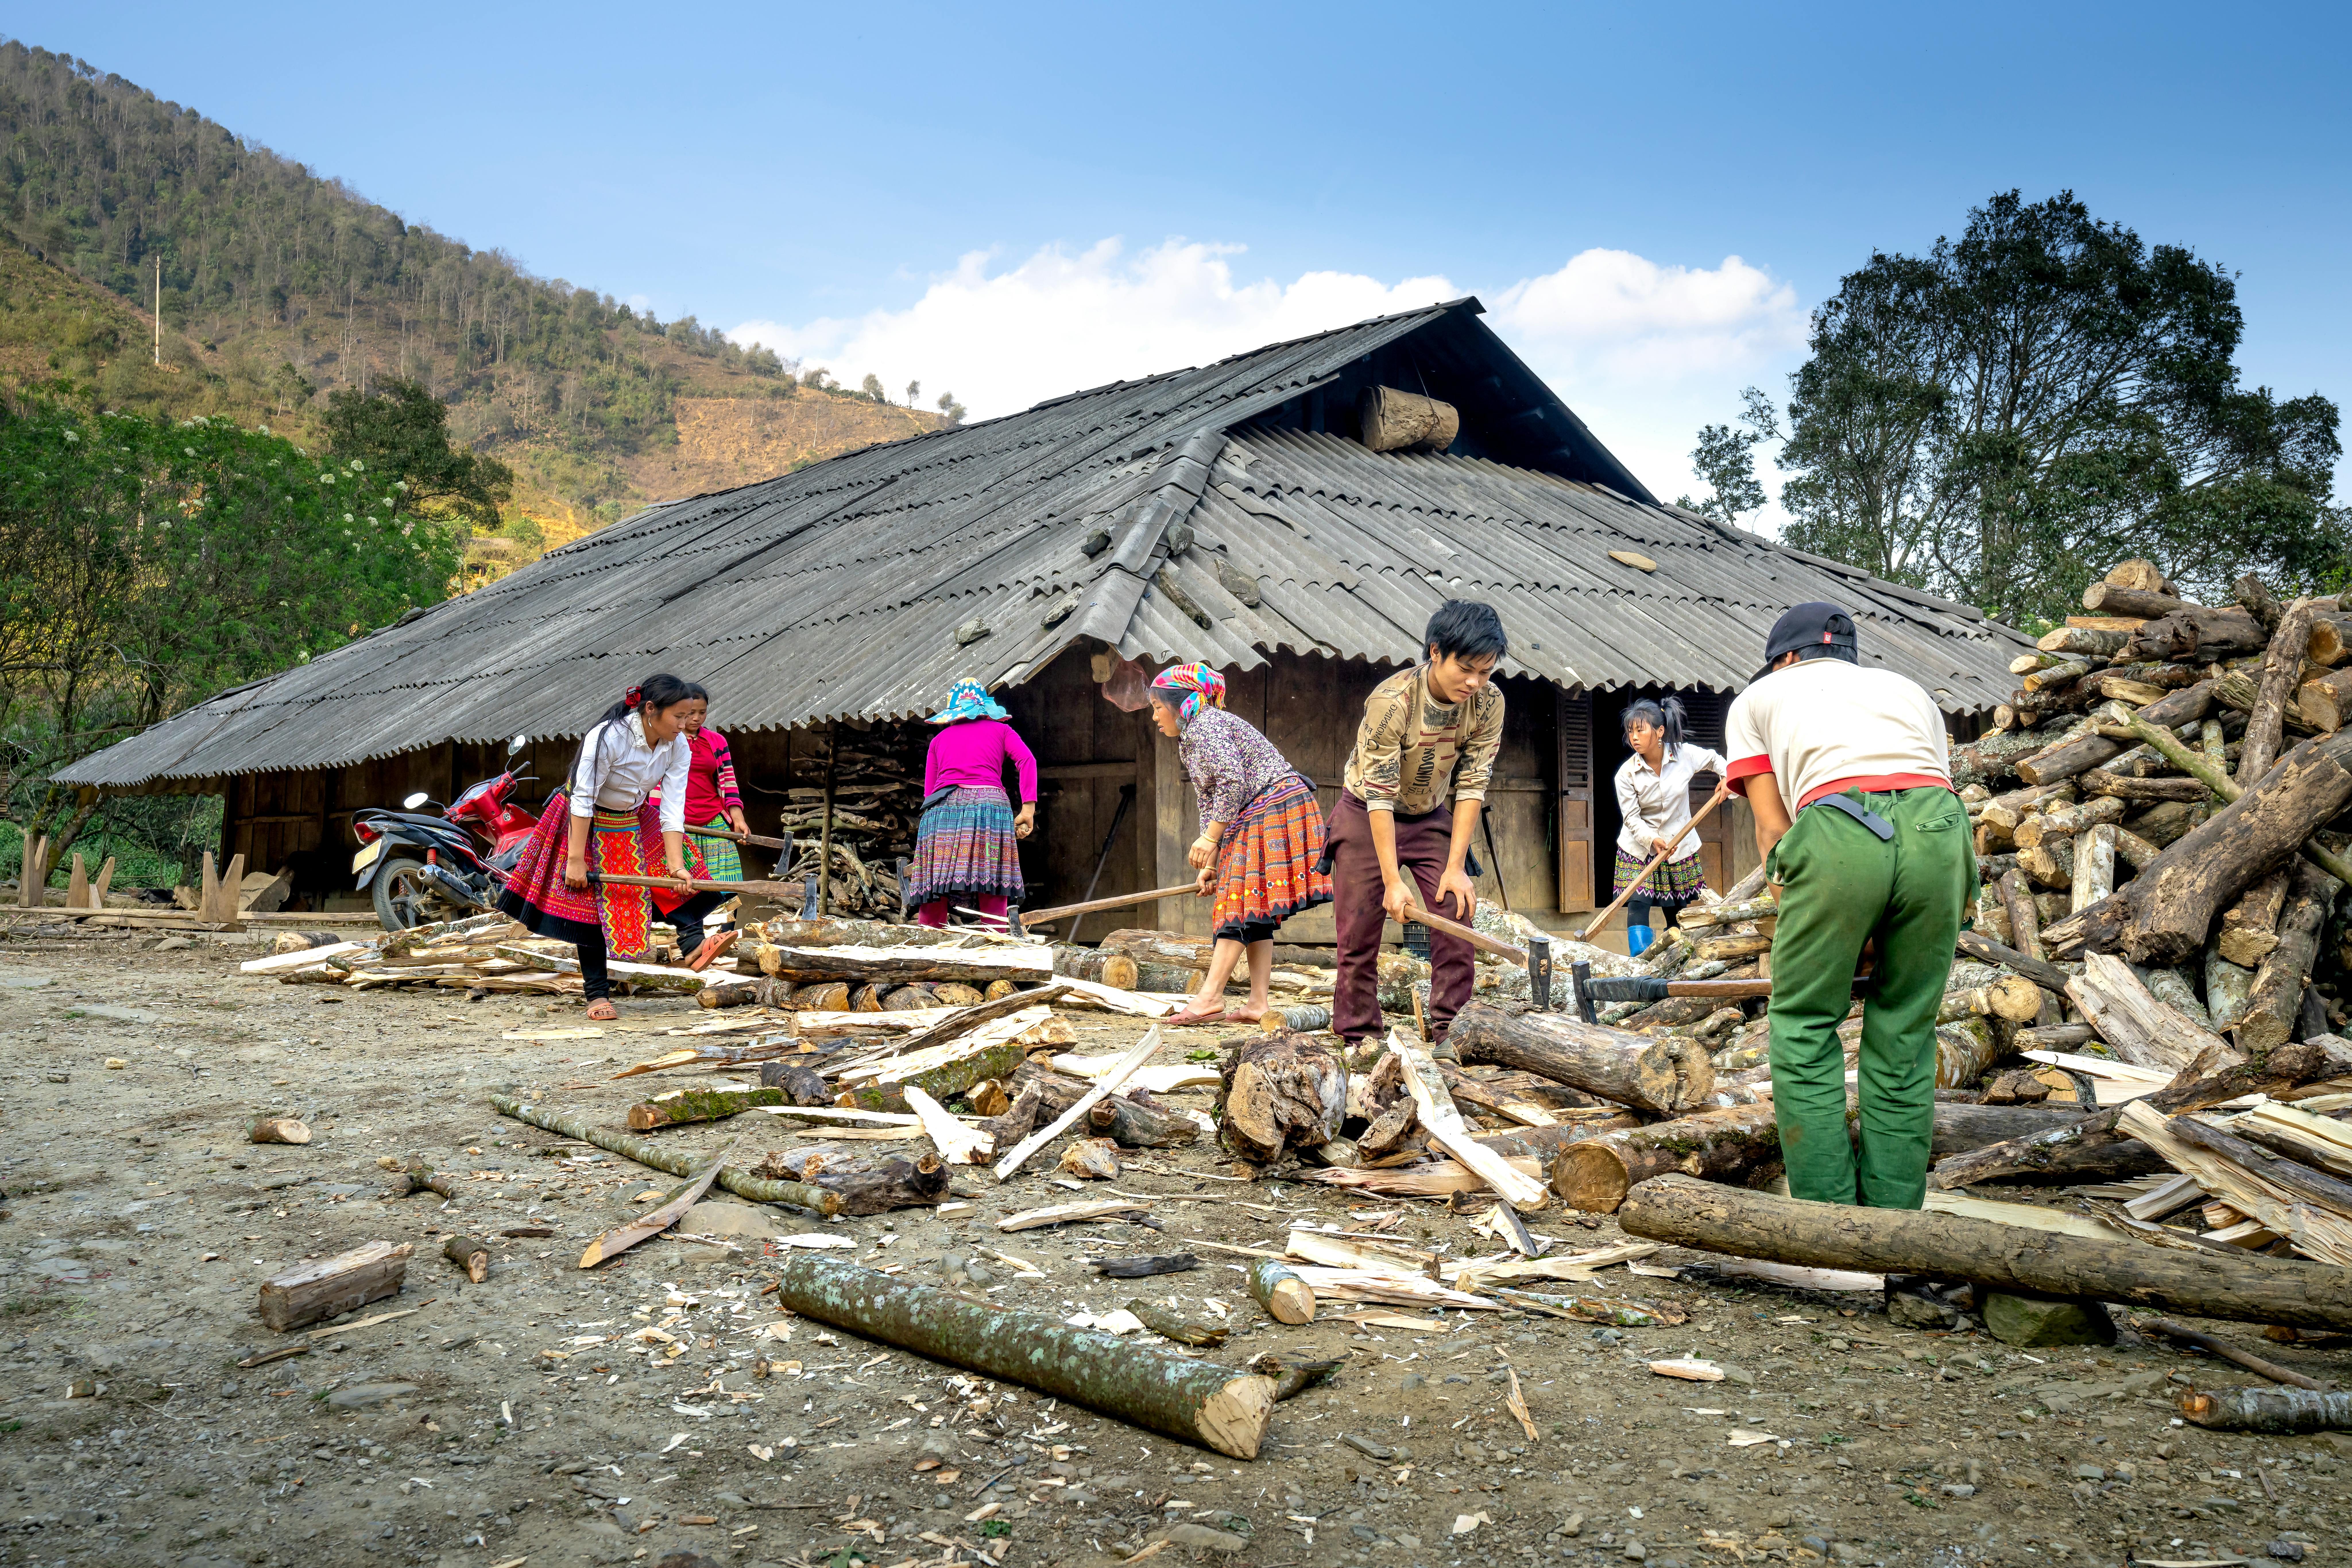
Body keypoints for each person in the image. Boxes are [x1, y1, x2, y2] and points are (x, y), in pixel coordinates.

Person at [1722, 602, 1974, 1210]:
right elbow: (1924, 789)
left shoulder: (1759, 699)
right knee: (1907, 1030)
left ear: (1783, 660)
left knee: (1804, 1024)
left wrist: (1818, 924)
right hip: (1941, 832)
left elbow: (1772, 833)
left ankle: (1829, 1225)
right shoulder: (1909, 690)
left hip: (1839, 829)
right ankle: (1893, 1223)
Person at [1327, 600, 1507, 1055]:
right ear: (1435, 652)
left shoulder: (1489, 703)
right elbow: (1381, 796)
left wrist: (1454, 867)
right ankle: (1359, 1037)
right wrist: (1392, 881)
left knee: (1456, 913)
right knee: (1358, 929)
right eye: (1466, 669)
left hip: (1430, 814)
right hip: (1367, 811)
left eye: (1485, 672)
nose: (1475, 682)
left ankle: (1452, 1031)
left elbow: (1472, 784)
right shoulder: (1392, 702)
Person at [498, 674, 711, 1021]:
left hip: (635, 816)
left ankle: (691, 945)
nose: (686, 724)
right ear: (650, 710)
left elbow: (672, 810)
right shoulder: (609, 737)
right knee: (589, 907)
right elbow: (582, 799)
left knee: (690, 872)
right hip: (585, 819)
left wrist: (676, 867)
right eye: (678, 716)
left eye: (690, 716)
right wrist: (576, 860)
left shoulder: (679, 745)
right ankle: (597, 995)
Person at [1147, 663, 1334, 1026]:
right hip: (1259, 811)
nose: (1155, 717)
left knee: (1237, 904)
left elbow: (1232, 783)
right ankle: (1257, 1004)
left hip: (1273, 807)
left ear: (1180, 703)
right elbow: (1211, 799)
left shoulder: (1207, 725)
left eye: (1157, 707)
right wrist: (1211, 864)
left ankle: (1210, 997)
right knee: (1255, 908)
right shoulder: (1192, 739)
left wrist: (1210, 838)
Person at [907, 678, 1037, 927]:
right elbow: (1027, 761)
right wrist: (1028, 809)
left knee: (936, 889)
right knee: (993, 889)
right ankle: (996, 941)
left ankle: (928, 945)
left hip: (942, 816)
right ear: (985, 708)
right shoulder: (1002, 731)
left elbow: (930, 795)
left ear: (953, 712)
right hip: (990, 814)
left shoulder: (938, 741)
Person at [1610, 696, 1727, 956]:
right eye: (1631, 731)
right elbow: (1631, 818)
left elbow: (1715, 760)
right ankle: (1641, 967)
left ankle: (1675, 966)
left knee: (1676, 911)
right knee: (1638, 905)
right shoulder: (1626, 774)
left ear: (1660, 731)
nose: (1635, 737)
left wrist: (1727, 779)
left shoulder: (1683, 755)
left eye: (1641, 730)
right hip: (1639, 849)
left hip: (1678, 845)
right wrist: (1652, 840)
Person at [671, 705, 753, 968]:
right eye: (689, 712)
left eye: (702, 712)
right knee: (687, 882)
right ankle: (694, 942)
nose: (696, 718)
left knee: (727, 883)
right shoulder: (670, 739)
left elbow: (728, 782)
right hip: (677, 823)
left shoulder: (716, 742)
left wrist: (738, 819)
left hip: (714, 819)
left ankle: (721, 942)